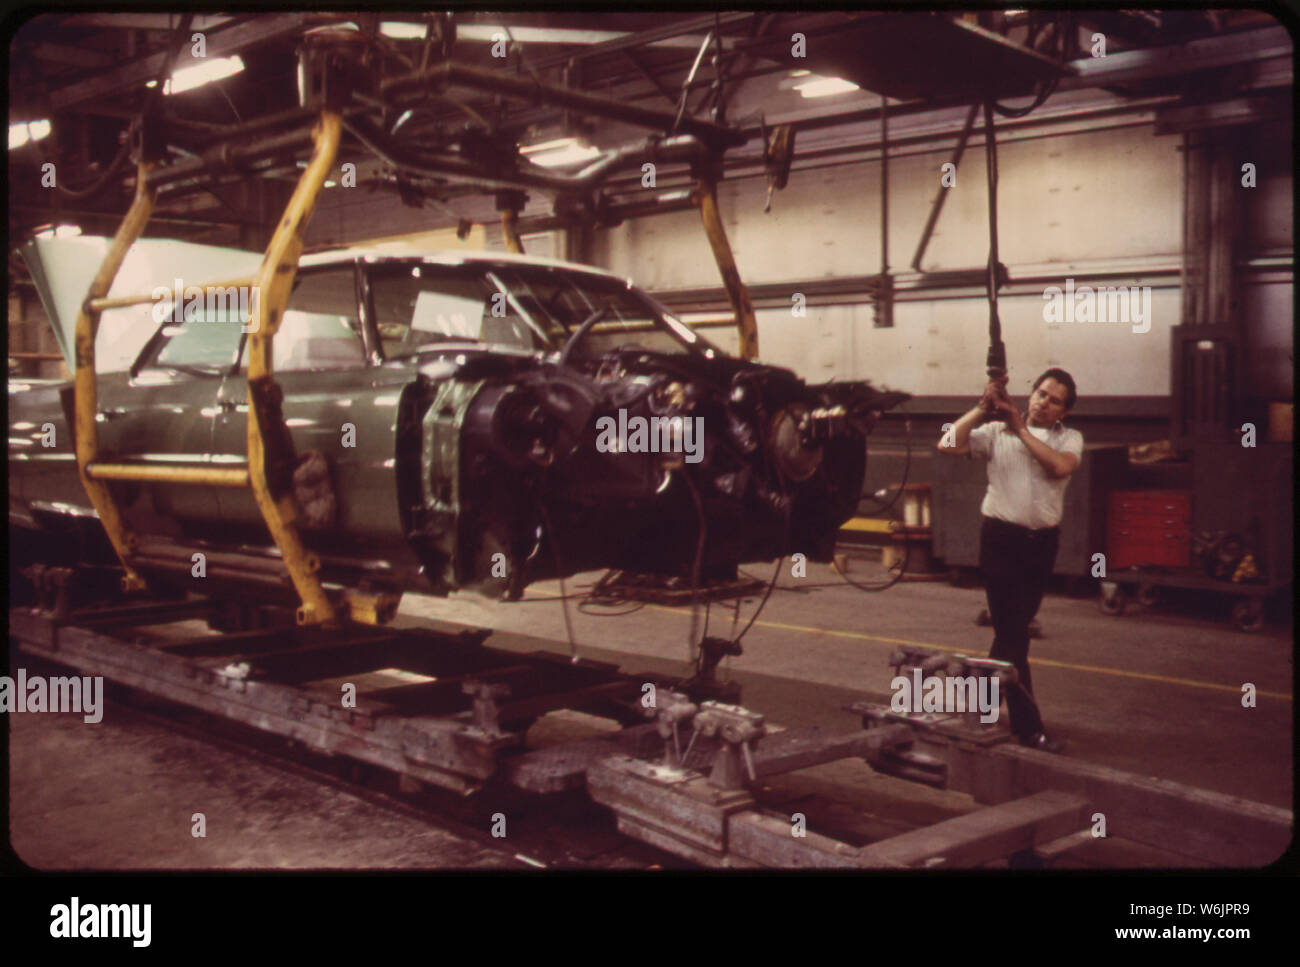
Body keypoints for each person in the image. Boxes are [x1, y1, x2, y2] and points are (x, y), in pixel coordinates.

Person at [936, 369, 1083, 752]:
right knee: (1014, 635)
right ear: (1030, 393)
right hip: (1001, 540)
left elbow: (1059, 467)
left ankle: (979, 710)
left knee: (1009, 635)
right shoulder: (995, 434)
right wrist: (981, 409)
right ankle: (1029, 727)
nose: (1043, 402)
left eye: (1054, 400)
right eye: (1040, 393)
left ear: (1064, 410)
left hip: (1041, 545)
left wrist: (1019, 428)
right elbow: (947, 443)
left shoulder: (1069, 439)